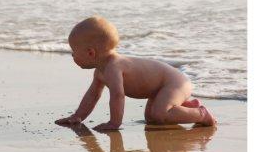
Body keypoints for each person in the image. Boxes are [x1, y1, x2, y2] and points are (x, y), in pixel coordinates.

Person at [55, 16, 217, 131]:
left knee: (161, 114)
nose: (72, 56)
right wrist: (78, 116)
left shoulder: (113, 67)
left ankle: (201, 114)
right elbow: (93, 95)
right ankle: (188, 106)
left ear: (91, 53)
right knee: (152, 119)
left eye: (74, 52)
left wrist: (114, 122)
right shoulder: (100, 71)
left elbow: (118, 96)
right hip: (160, 87)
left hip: (173, 82)